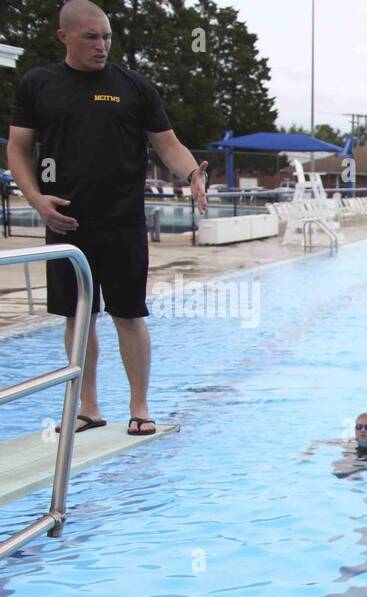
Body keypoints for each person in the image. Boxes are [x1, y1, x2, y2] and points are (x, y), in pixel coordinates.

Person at [6, 0, 210, 436]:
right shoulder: (38, 84)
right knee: (78, 317)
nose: (102, 46)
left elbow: (167, 143)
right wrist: (36, 199)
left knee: (129, 314)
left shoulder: (134, 87)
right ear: (64, 37)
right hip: (64, 221)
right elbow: (18, 148)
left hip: (123, 222)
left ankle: (140, 405)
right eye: (90, 37)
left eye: (107, 37)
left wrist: (192, 173)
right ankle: (88, 407)